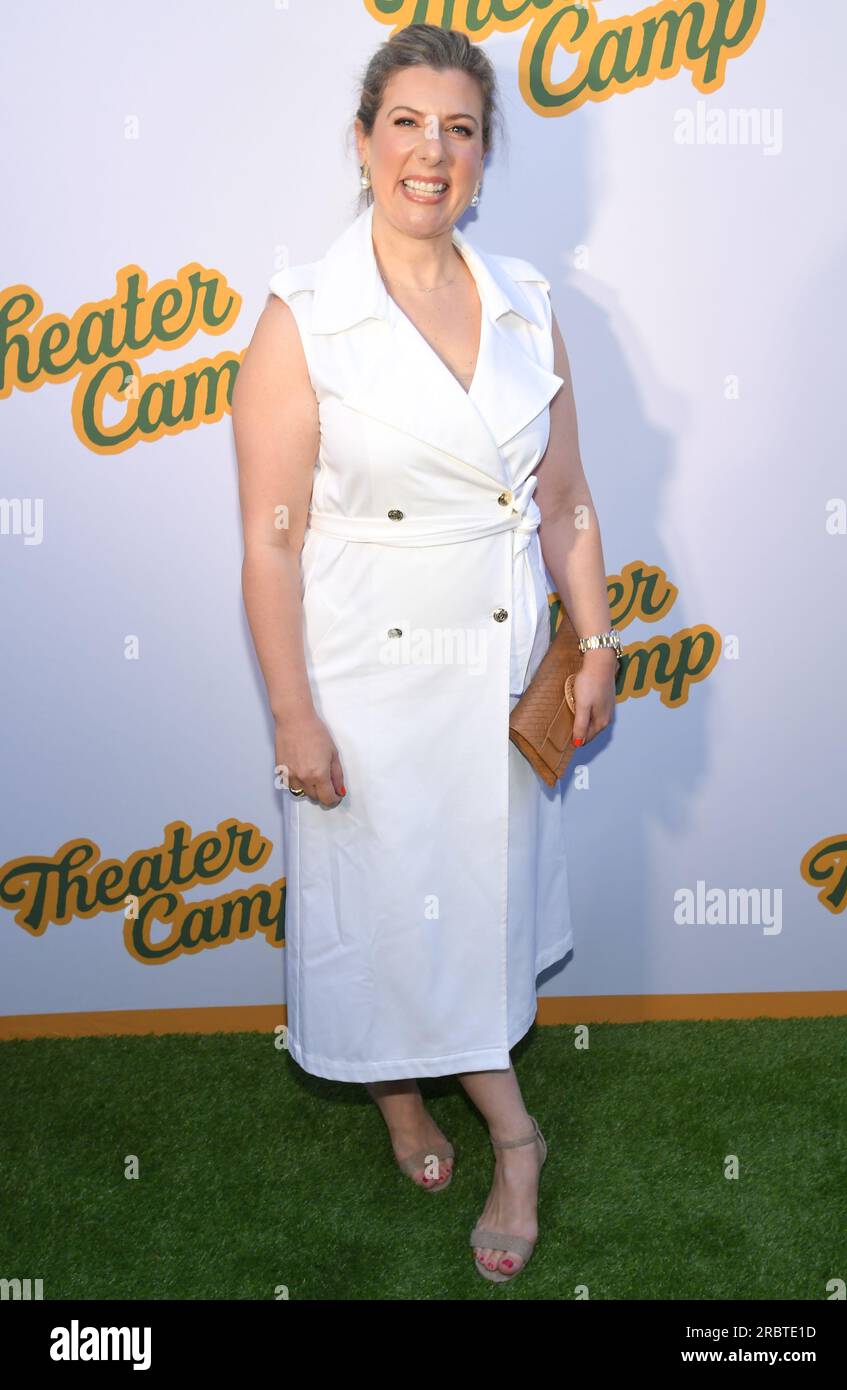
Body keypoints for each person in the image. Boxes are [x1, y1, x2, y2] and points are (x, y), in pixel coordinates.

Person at [231, 22, 618, 1284]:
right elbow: (270, 542)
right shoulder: (303, 318)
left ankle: (427, 1105)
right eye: (404, 122)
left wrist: (598, 638)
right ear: (361, 143)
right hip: (365, 667)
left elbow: (565, 499)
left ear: (482, 156)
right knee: (387, 906)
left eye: (458, 128)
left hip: (499, 663)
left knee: (467, 909)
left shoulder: (527, 306)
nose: (429, 151)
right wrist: (294, 714)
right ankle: (509, 1130)